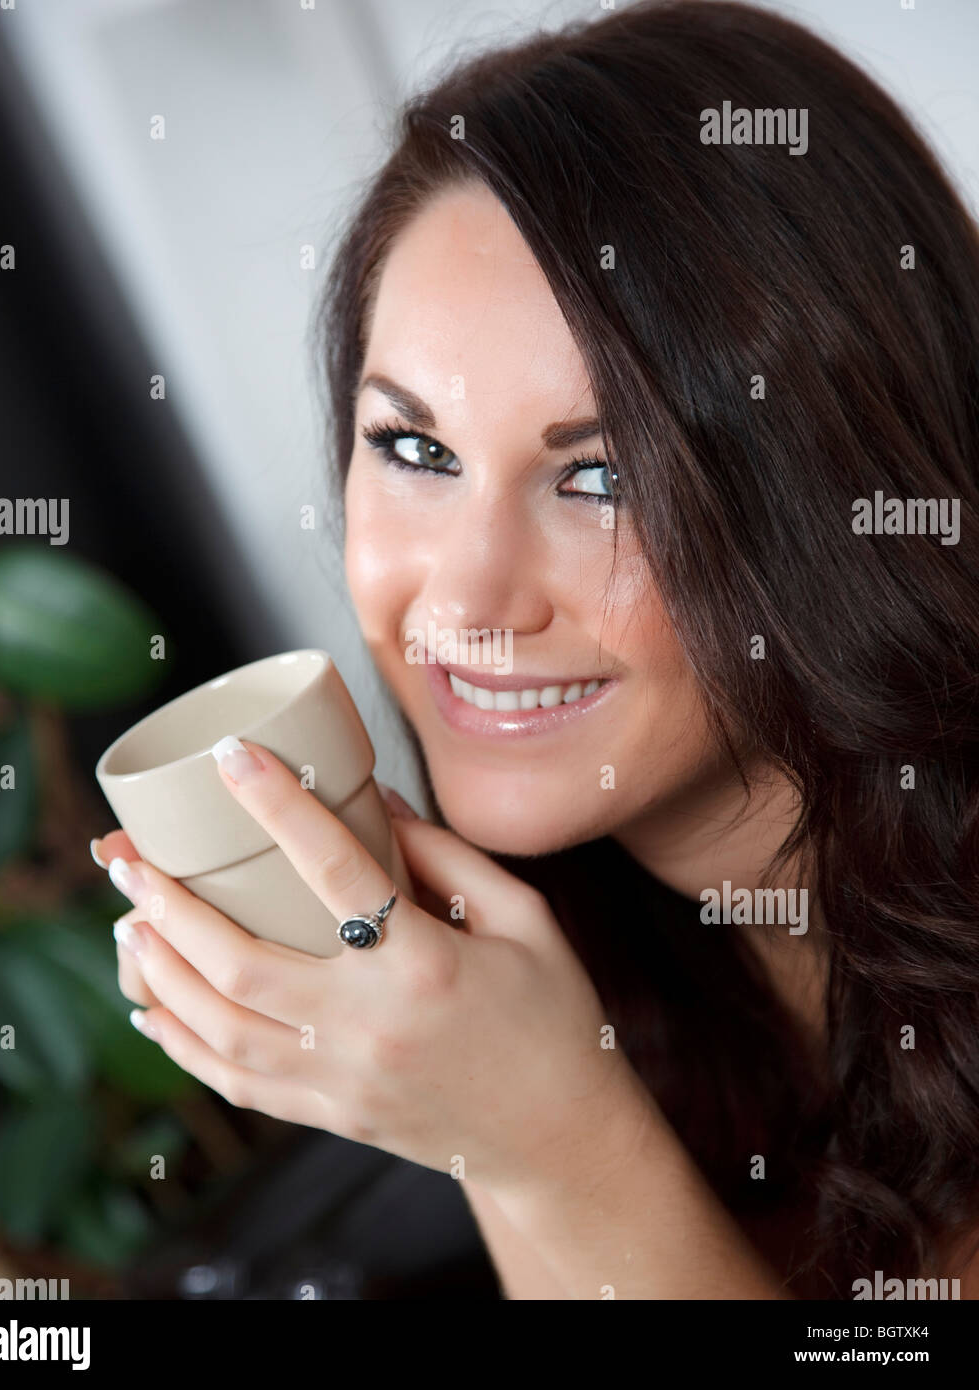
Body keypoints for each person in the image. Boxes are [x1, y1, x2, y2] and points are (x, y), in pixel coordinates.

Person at [94, 0, 979, 1299]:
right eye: (415, 450)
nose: (464, 596)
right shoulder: (628, 961)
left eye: (601, 475)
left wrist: (547, 1143)